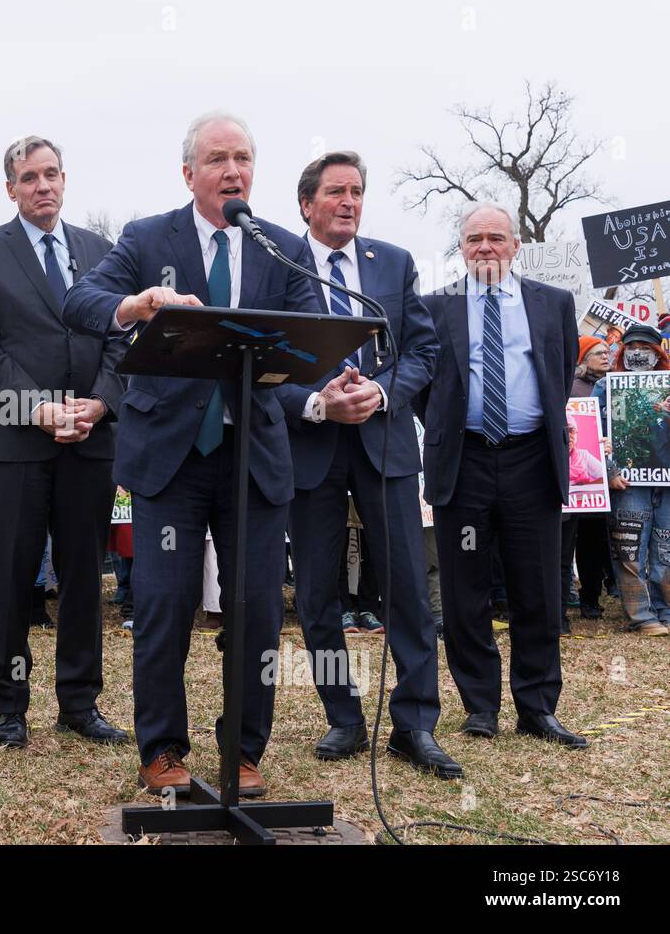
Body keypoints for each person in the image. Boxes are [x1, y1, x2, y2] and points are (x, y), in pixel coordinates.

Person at [62, 111, 321, 797]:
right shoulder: (148, 238)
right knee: (165, 605)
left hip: (252, 457)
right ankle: (162, 750)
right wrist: (135, 304)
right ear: (189, 173)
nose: (233, 171)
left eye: (243, 158)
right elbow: (79, 300)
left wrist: (330, 387)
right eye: (217, 160)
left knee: (258, 610)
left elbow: (311, 340)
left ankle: (242, 751)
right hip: (168, 459)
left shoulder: (280, 245)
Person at [277, 152, 454, 776]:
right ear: (307, 204)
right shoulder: (278, 263)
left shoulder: (394, 263)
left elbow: (423, 350)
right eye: (336, 193)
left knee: (407, 584)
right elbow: (264, 364)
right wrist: (319, 403)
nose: (349, 202)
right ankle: (344, 718)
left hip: (385, 446)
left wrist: (379, 393)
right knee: (320, 593)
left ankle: (414, 723)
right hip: (312, 450)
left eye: (357, 191)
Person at [0, 135, 127, 748]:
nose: (43, 186)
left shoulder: (100, 251)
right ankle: (10, 707)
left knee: (85, 574)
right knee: (11, 574)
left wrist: (101, 402)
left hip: (90, 438)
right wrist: (39, 409)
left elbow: (119, 337)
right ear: (11, 188)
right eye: (29, 178)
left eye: (52, 174)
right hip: (16, 442)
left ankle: (79, 703)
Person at [418, 201, 586, 748]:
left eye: (496, 237)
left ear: (515, 245)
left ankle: (537, 707)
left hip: (530, 460)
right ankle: (479, 707)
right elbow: (424, 386)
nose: (485, 247)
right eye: (474, 239)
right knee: (465, 592)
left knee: (536, 586)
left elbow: (559, 374)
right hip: (462, 460)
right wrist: (450, 426)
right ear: (461, 249)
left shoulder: (553, 303)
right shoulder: (434, 307)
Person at [593, 325, 670, 636]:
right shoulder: (605, 387)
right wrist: (608, 469)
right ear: (622, 351)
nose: (639, 352)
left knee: (666, 550)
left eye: (646, 347)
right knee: (629, 549)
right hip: (627, 482)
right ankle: (641, 616)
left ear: (658, 352)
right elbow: (592, 433)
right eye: (632, 346)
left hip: (666, 483)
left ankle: (665, 611)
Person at [562, 336, 614, 622]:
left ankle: (591, 598)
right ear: (583, 358)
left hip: (597, 480)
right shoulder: (570, 388)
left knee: (594, 540)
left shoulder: (613, 387)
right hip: (571, 480)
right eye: (598, 353)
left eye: (608, 352)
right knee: (567, 540)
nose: (605, 356)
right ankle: (567, 592)